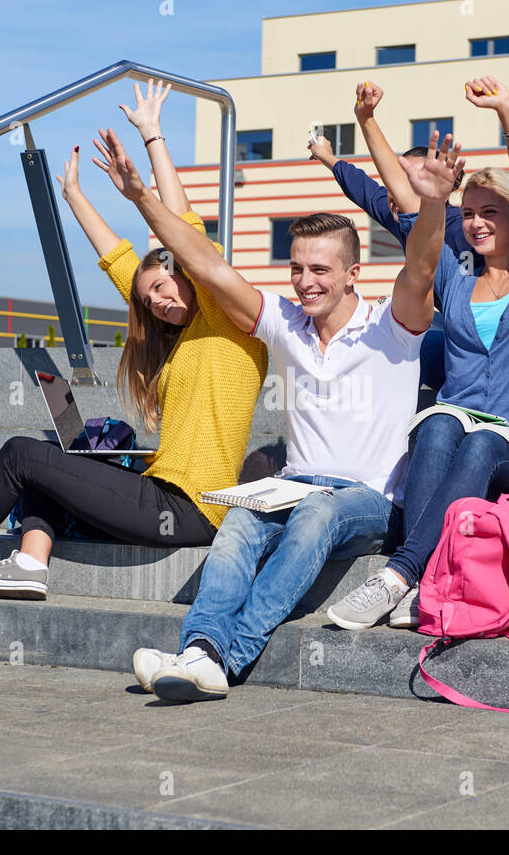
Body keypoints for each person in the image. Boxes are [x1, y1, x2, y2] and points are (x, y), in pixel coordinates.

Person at [0, 80, 267, 599]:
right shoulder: (182, 336)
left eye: (166, 284)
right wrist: (74, 197)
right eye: (150, 299)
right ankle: (30, 562)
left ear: (187, 274)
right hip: (161, 493)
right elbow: (123, 265)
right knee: (51, 458)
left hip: (188, 509)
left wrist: (153, 137)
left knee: (20, 454)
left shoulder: (227, 320)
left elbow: (185, 231)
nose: (159, 300)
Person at [108, 128, 461, 701]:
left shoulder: (391, 325)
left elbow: (421, 267)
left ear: (353, 274)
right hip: (293, 485)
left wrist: (436, 203)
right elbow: (205, 265)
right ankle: (198, 648)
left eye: (321, 270)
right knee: (242, 519)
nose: (305, 282)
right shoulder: (285, 323)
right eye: (297, 268)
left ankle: (230, 654)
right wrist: (139, 198)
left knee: (317, 514)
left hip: (365, 498)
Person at [326, 75, 509, 631]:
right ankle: (428, 577)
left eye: (491, 211)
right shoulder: (456, 278)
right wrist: (429, 187)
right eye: (470, 212)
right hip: (457, 413)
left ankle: (399, 575)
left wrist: (507, 111)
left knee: (482, 442)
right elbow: (417, 220)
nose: (477, 222)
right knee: (436, 427)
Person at [308, 79, 509, 388]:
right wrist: (336, 146)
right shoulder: (404, 218)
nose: (396, 194)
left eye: (412, 181)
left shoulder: (465, 223)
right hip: (469, 346)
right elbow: (361, 186)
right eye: (397, 183)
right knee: (396, 330)